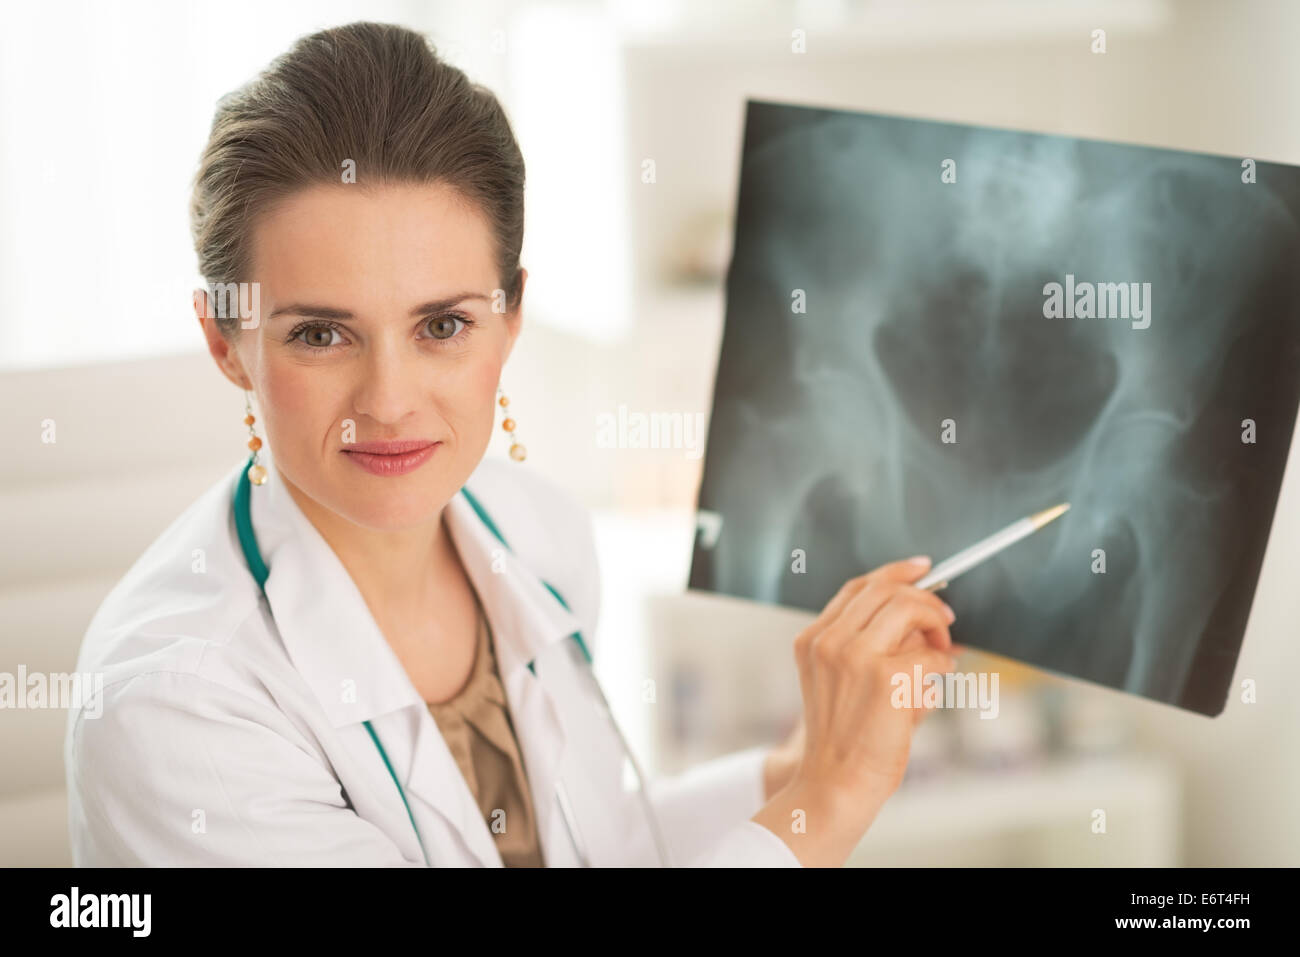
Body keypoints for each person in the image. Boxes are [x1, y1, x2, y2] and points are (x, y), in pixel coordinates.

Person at [64, 21, 958, 868]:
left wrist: (794, 769)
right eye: (321, 334)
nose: (388, 401)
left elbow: (599, 845)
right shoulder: (175, 702)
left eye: (443, 324)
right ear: (226, 340)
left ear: (513, 313)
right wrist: (832, 799)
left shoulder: (538, 536)